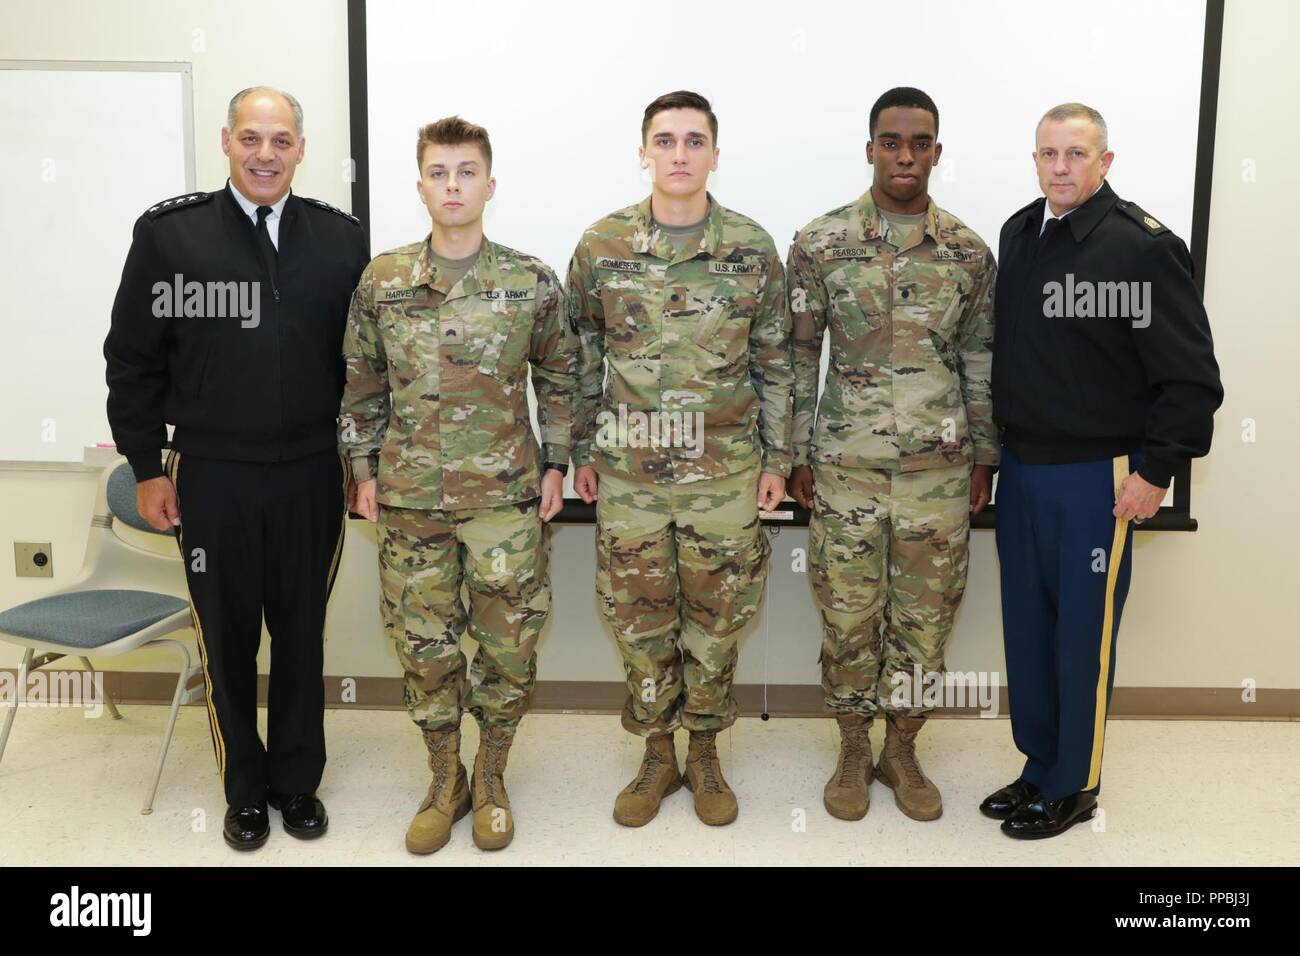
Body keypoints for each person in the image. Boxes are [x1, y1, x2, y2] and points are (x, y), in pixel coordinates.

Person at [103, 86, 370, 849]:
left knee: (301, 635)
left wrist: (360, 462)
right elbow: (131, 361)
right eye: (251, 138)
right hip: (212, 474)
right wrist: (148, 466)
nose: (265, 154)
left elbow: (365, 369)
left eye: (280, 140)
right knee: (227, 641)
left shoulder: (340, 241)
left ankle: (295, 783)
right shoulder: (172, 237)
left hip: (312, 474)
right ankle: (245, 790)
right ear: (226, 141)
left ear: (300, 150)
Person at [984, 103, 1223, 839]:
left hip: (1098, 477)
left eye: (1077, 155)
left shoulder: (1142, 249)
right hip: (1023, 470)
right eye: (1048, 154)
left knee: (1079, 636)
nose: (1061, 167)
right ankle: (1038, 764)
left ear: (1105, 162)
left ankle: (1075, 783)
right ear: (1035, 160)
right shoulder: (1021, 234)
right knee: (1027, 631)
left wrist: (1158, 471)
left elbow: (1191, 378)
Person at [340, 116, 576, 854]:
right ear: (420, 186)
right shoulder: (382, 281)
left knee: (508, 648)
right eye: (439, 173)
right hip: (410, 503)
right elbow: (360, 385)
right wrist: (362, 472)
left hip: (504, 501)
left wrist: (557, 463)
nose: (453, 185)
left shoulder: (529, 281)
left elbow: (564, 376)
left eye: (466, 171)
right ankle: (446, 780)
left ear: (489, 185)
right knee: (425, 648)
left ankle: (494, 773)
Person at [566, 90, 794, 828]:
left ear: (715, 156)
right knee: (640, 620)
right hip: (629, 474)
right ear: (644, 153)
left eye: (694, 141)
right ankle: (656, 749)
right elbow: (580, 358)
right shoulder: (601, 247)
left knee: (718, 619)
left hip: (722, 472)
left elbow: (776, 364)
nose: (679, 154)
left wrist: (778, 460)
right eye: (665, 141)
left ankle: (704, 750)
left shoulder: (753, 249)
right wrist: (578, 450)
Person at [787, 87, 996, 823]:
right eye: (890, 141)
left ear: (936, 150)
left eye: (920, 142)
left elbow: (979, 357)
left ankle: (902, 749)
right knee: (848, 621)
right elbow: (798, 357)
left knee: (925, 626)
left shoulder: (969, 251)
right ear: (870, 147)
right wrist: (794, 454)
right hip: (845, 469)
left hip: (939, 475)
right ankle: (851, 747)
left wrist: (986, 456)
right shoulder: (821, 244)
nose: (904, 155)